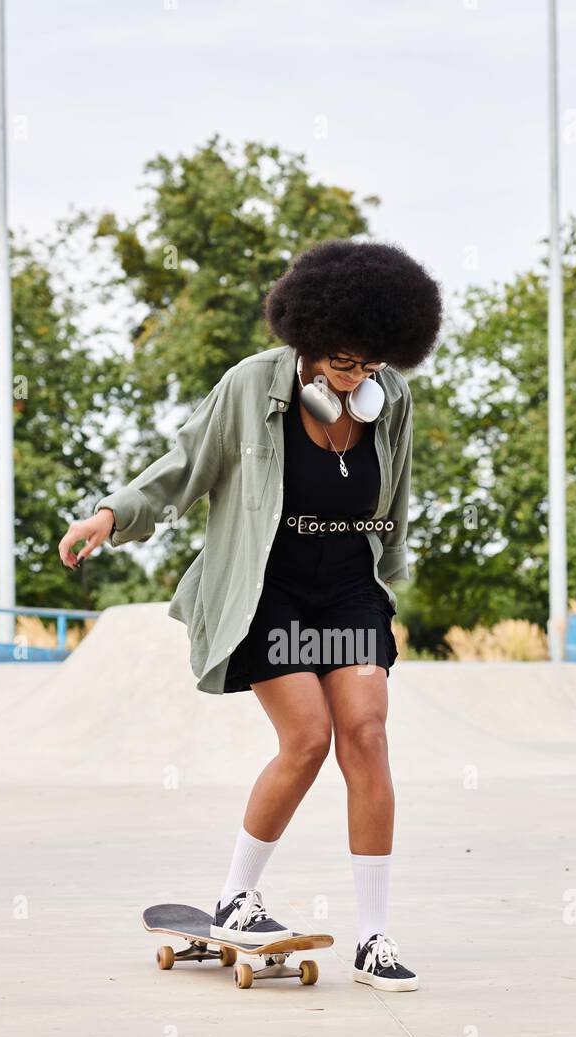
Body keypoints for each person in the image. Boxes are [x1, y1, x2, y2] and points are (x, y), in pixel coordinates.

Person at [59, 238, 443, 991]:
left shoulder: (390, 401)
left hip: (349, 586)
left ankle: (374, 939)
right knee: (307, 738)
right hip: (268, 584)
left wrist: (389, 581)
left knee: (365, 735)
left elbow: (392, 496)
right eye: (340, 359)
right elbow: (181, 468)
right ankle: (236, 896)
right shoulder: (249, 386)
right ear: (307, 335)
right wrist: (111, 514)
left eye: (368, 363)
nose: (354, 374)